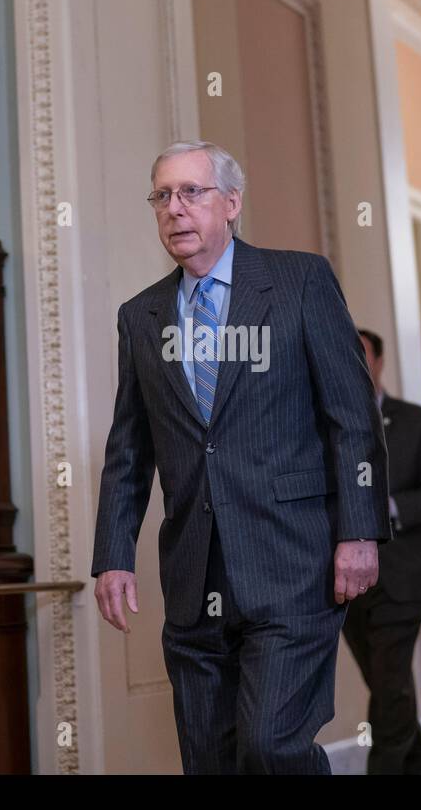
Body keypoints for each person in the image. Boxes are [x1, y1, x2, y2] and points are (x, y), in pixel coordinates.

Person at [91, 141, 390, 774]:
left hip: (293, 561)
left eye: (191, 192)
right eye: (162, 195)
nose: (175, 209)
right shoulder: (139, 316)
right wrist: (113, 556)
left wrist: (360, 532)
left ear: (231, 203)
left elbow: (352, 418)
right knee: (211, 759)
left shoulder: (299, 280)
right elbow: (129, 448)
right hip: (195, 574)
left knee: (271, 746)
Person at [342, 328, 421, 774]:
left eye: (362, 355)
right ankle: (420, 765)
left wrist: (390, 508)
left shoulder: (418, 422)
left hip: (402, 576)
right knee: (390, 685)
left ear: (379, 362)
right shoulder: (327, 425)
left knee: (388, 684)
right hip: (346, 584)